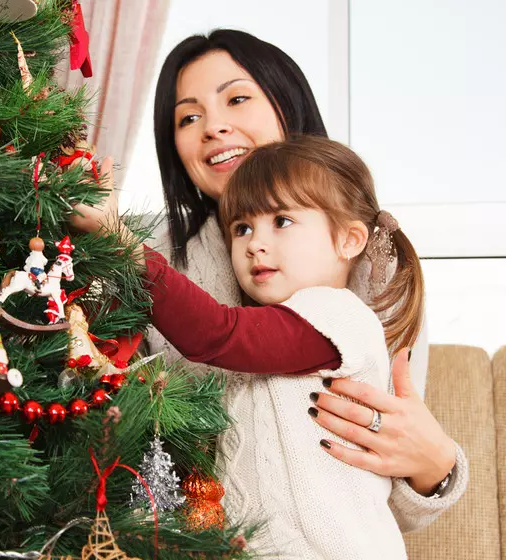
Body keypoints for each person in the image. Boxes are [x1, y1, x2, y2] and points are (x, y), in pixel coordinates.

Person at [73, 28, 467, 541]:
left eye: (237, 98)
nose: (213, 127)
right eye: (188, 117)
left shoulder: (352, 291)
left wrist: (434, 464)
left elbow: (219, 334)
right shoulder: (151, 248)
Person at [85, 135, 426, 558]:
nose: (254, 243)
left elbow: (215, 334)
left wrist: (124, 243)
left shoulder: (340, 315)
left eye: (281, 221)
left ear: (349, 240)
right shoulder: (267, 335)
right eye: (242, 228)